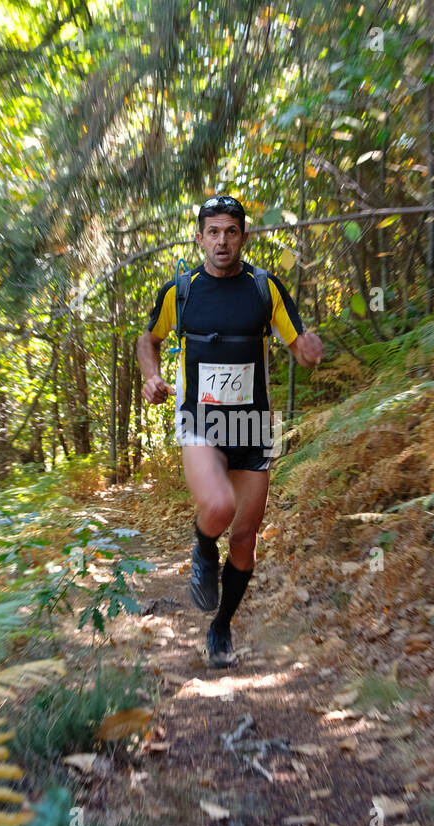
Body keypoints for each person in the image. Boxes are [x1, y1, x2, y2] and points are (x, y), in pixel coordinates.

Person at [136, 194, 324, 667]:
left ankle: (221, 627)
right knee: (217, 506)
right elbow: (148, 340)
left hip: (255, 423)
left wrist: (309, 350)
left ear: (244, 237)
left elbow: (296, 343)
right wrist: (151, 376)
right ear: (199, 238)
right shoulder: (181, 292)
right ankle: (202, 549)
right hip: (200, 418)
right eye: (213, 231)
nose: (222, 240)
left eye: (231, 231)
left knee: (244, 540)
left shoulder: (265, 288)